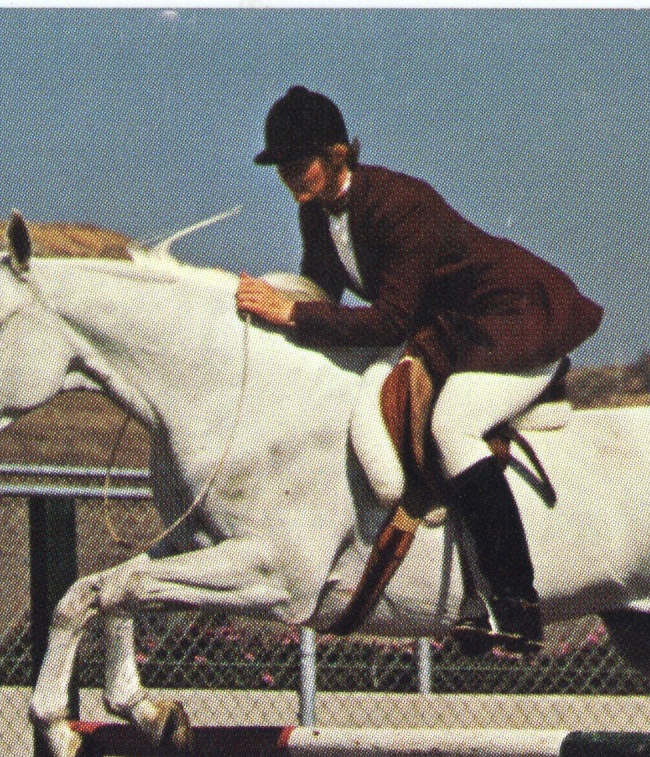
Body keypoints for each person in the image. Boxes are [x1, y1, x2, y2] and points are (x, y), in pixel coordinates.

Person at [237, 85, 602, 653]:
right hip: (453, 336)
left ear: (337, 154)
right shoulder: (316, 214)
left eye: (299, 161)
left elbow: (386, 321)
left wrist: (293, 313)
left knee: (451, 427)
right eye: (281, 166)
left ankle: (515, 605)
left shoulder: (398, 204)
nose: (289, 175)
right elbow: (323, 300)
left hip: (514, 320)